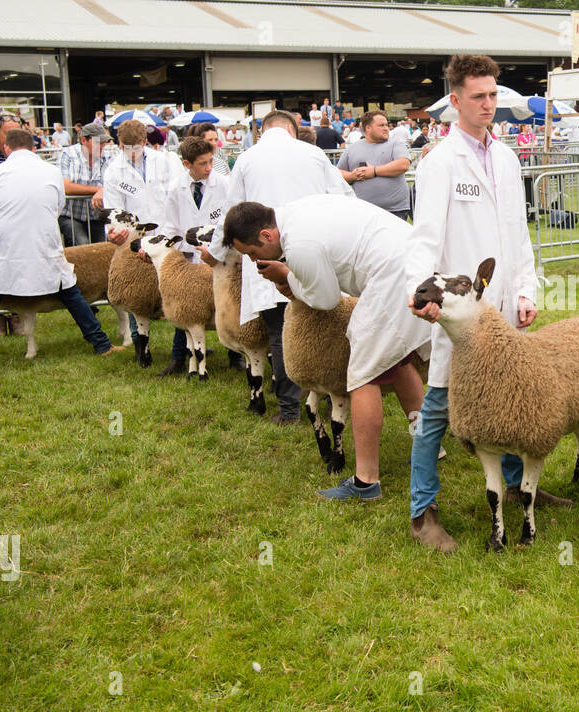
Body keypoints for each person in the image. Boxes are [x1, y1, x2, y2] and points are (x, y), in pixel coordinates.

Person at [405, 53, 568, 553]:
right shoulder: (439, 162)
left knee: (511, 392)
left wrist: (526, 289)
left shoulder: (506, 157)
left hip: (501, 303)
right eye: (478, 96)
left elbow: (519, 234)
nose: (488, 104)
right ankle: (422, 511)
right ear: (455, 101)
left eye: (493, 95)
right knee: (437, 406)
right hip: (459, 307)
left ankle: (520, 488)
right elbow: (425, 236)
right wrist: (419, 293)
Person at [226, 195, 432, 499]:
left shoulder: (298, 247)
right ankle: (428, 447)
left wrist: (287, 277)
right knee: (395, 359)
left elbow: (326, 299)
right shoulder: (290, 212)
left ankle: (366, 481)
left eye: (253, 254)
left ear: (266, 235)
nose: (255, 262)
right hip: (410, 258)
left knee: (362, 373)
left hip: (392, 275)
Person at [205, 110, 351, 424]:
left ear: (264, 131)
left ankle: (289, 409)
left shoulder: (246, 158)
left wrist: (215, 252)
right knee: (329, 328)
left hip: (266, 254)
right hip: (316, 250)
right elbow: (344, 197)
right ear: (290, 129)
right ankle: (332, 400)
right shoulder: (314, 155)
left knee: (280, 333)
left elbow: (231, 213)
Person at [0, 129, 118, 375]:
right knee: (72, 296)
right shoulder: (51, 172)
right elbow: (57, 207)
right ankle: (102, 345)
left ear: (6, 148)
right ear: (34, 148)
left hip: (4, 252)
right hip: (44, 247)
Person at [156, 136, 232, 376]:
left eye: (211, 161)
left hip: (218, 255)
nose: (209, 168)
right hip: (189, 258)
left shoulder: (224, 185)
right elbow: (170, 224)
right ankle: (178, 358)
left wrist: (219, 247)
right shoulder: (175, 188)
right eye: (202, 163)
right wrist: (165, 249)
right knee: (185, 307)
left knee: (227, 302)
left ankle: (236, 354)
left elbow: (229, 220)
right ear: (187, 164)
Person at [337, 110, 412, 220]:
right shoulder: (352, 148)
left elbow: (403, 165)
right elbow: (338, 173)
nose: (386, 128)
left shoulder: (395, 144)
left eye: (386, 125)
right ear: (368, 128)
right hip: (363, 212)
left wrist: (374, 171)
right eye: (381, 125)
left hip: (394, 211)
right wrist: (353, 176)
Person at [56, 121, 115, 247]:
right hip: (70, 216)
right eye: (98, 142)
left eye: (103, 142)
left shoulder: (109, 158)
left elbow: (115, 184)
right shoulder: (67, 155)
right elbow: (66, 186)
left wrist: (104, 190)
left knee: (103, 248)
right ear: (84, 140)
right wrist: (98, 189)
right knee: (83, 245)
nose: (102, 146)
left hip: (96, 217)